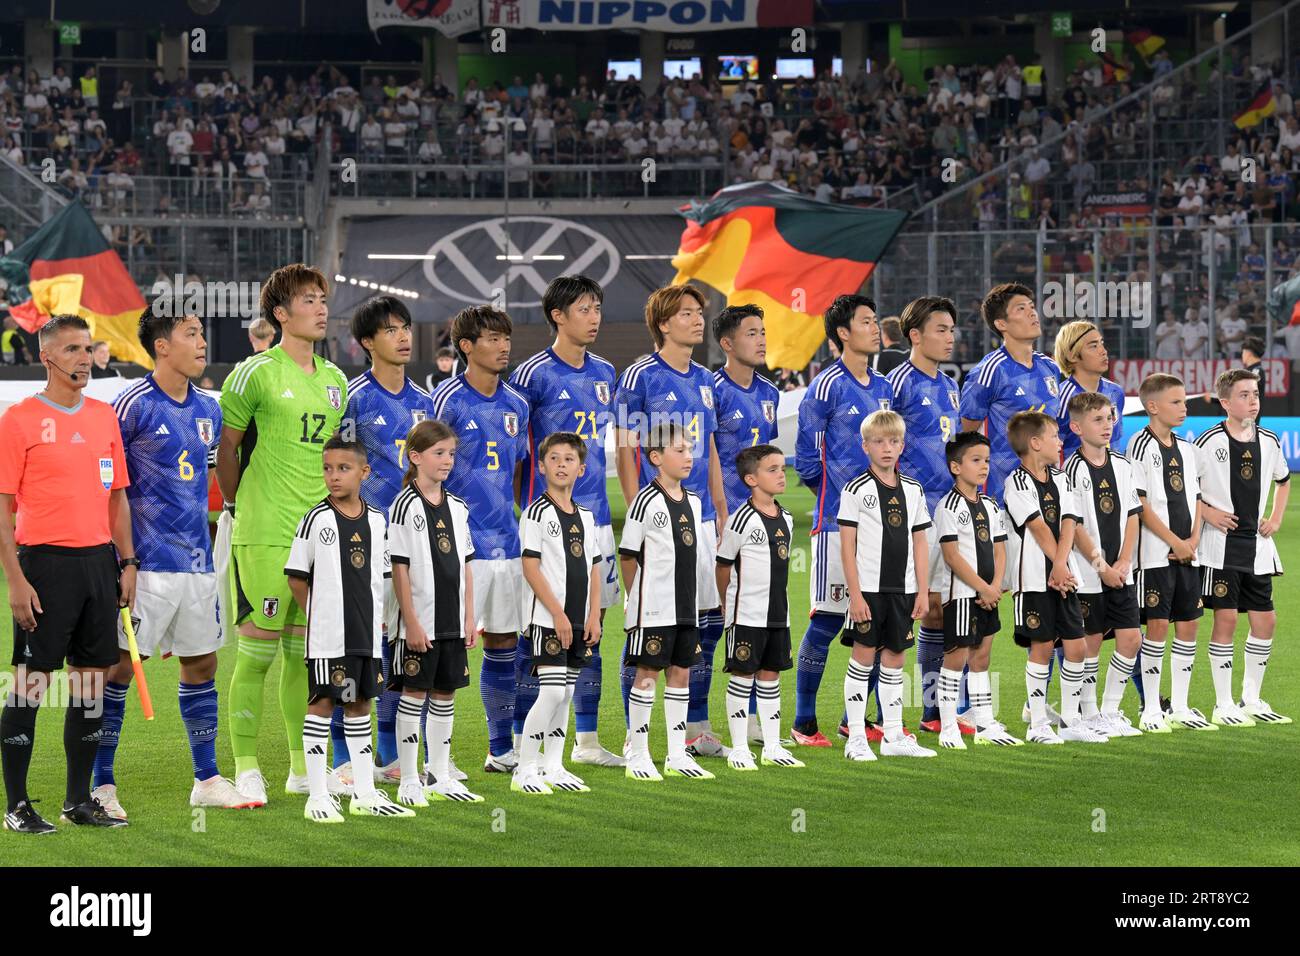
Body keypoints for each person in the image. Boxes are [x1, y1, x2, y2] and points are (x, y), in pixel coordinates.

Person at [91, 310, 254, 820]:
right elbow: (108, 488)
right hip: (144, 564)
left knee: (202, 663)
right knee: (116, 670)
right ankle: (101, 785)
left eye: (202, 333)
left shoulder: (209, 407)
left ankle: (206, 778)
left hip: (197, 563)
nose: (202, 342)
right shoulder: (131, 406)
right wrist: (121, 559)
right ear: (162, 346)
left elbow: (211, 475)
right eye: (191, 334)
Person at [216, 264, 350, 805]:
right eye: (309, 300)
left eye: (323, 299)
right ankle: (247, 768)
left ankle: (301, 768)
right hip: (266, 532)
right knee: (257, 654)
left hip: (319, 536)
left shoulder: (337, 380)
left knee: (305, 655)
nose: (320, 308)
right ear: (281, 313)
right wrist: (234, 506)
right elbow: (227, 450)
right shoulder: (254, 373)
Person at [0, 315, 134, 833]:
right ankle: (17, 806)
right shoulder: (19, 420)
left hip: (99, 566)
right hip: (44, 567)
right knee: (30, 686)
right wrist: (15, 580)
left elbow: (117, 497)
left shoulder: (104, 417)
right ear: (47, 358)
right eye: (73, 349)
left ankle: (78, 800)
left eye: (88, 348)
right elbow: (4, 511)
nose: (84, 358)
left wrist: (127, 562)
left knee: (89, 687)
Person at [509, 275, 622, 767]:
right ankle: (519, 742)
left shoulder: (606, 371)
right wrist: (534, 509)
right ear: (558, 315)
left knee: (591, 630)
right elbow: (517, 453)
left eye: (597, 307)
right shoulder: (533, 374)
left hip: (594, 521)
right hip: (549, 523)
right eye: (583, 308)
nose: (594, 316)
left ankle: (588, 741)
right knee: (536, 632)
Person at [613, 284, 728, 759]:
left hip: (699, 517)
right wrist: (640, 508)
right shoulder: (640, 376)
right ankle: (632, 732)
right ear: (663, 324)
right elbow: (624, 447)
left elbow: (712, 450)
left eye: (699, 313)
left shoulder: (705, 378)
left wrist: (721, 512)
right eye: (686, 314)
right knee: (646, 621)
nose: (698, 320)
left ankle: (692, 727)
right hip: (658, 518)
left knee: (701, 622)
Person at [332, 296, 436, 787]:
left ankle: (392, 753)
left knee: (401, 648)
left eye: (406, 327)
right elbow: (339, 469)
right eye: (391, 329)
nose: (403, 336)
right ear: (367, 342)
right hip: (365, 541)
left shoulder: (424, 400)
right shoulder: (355, 398)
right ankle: (346, 756)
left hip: (411, 541)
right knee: (358, 648)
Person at [286, 434, 414, 822]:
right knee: (322, 704)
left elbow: (384, 575)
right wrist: (318, 616)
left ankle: (364, 792)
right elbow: (296, 576)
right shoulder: (316, 519)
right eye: (327, 469)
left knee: (360, 706)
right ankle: (318, 796)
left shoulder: (377, 521)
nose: (334, 476)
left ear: (364, 472)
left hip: (366, 636)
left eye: (343, 468)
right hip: (328, 636)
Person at [791, 294, 894, 747]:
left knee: (872, 622)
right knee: (829, 620)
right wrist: (842, 501)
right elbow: (806, 459)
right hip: (835, 526)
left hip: (882, 528)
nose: (875, 328)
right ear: (843, 334)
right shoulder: (825, 386)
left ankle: (859, 718)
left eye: (875, 321)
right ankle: (804, 721)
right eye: (866, 322)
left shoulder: (883, 386)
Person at [431, 305, 531, 772]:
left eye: (505, 338)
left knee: (504, 643)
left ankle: (501, 748)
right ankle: (433, 757)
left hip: (506, 545)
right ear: (466, 346)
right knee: (443, 647)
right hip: (457, 548)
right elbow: (429, 471)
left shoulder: (517, 404)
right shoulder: (447, 400)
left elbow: (516, 472)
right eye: (492, 338)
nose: (503, 346)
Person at [885, 295, 970, 737]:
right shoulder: (895, 384)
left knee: (939, 609)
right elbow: (883, 446)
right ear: (915, 335)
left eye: (952, 330)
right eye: (941, 329)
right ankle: (868, 717)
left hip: (945, 509)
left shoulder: (950, 386)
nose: (950, 337)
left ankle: (935, 711)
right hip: (910, 509)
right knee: (899, 609)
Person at [386, 420, 483, 804]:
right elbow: (399, 567)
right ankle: (410, 778)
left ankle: (440, 775)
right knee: (414, 694)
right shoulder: (404, 505)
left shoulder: (458, 508)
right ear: (415, 457)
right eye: (438, 453)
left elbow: (467, 565)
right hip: (419, 623)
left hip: (452, 622)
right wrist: (410, 621)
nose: (447, 461)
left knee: (445, 696)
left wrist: (470, 616)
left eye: (451, 454)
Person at [837, 409, 936, 760]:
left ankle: (893, 736)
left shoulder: (913, 490)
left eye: (893, 441)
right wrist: (855, 594)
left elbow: (921, 543)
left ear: (902, 445)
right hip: (869, 592)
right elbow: (846, 546)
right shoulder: (855, 490)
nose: (887, 448)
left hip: (903, 591)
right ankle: (857, 738)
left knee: (895, 659)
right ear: (865, 446)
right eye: (879, 442)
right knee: (863, 659)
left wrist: (923, 590)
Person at [1193, 369, 1290, 726]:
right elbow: (1188, 493)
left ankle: (1252, 698)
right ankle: (1223, 703)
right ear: (1225, 402)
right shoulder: (1207, 443)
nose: (1253, 400)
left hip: (1258, 547)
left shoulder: (1269, 440)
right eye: (1244, 395)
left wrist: (1275, 519)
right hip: (1220, 547)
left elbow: (1283, 480)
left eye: (1256, 393)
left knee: (1266, 621)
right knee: (1227, 619)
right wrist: (1209, 513)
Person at [619, 423, 713, 781]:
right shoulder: (645, 501)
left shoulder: (693, 500)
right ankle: (639, 755)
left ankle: (677, 755)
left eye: (689, 449)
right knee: (646, 676)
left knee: (681, 675)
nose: (688, 456)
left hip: (685, 608)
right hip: (654, 608)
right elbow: (628, 555)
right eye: (679, 450)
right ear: (656, 458)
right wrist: (638, 600)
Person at [514, 432, 603, 795]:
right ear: (541, 466)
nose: (561, 464)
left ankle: (553, 765)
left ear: (581, 469)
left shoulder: (585, 515)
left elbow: (595, 567)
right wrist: (559, 615)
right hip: (548, 620)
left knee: (565, 694)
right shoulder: (537, 512)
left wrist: (593, 615)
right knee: (550, 693)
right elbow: (531, 568)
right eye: (554, 458)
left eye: (569, 459)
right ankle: (525, 769)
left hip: (579, 620)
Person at [710, 303, 781, 745]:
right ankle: (698, 721)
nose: (761, 339)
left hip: (763, 528)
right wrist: (721, 509)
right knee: (713, 620)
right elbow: (711, 453)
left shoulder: (770, 392)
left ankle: (754, 716)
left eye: (762, 331)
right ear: (727, 343)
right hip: (724, 523)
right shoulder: (712, 390)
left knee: (761, 618)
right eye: (751, 332)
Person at [1002, 410, 1096, 744]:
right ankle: (1038, 723)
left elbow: (1069, 520)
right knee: (1041, 646)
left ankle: (1071, 722)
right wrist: (1058, 564)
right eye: (1055, 436)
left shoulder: (1061, 478)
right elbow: (1037, 527)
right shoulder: (1016, 482)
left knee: (1076, 646)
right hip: (1032, 579)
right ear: (1035, 442)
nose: (1060, 442)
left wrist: (1061, 565)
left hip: (1063, 575)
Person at [1126, 374, 1208, 732]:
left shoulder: (1188, 449)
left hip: (1189, 552)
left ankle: (1181, 705)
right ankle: (1151, 709)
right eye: (1176, 402)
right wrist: (1175, 542)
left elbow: (1199, 499)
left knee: (1188, 623)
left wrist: (1192, 541)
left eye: (1184, 402)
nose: (1184, 408)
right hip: (1156, 555)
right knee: (1157, 626)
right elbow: (1140, 504)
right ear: (1153, 406)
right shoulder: (1140, 446)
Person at [714, 444, 804, 770]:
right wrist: (726, 604)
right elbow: (723, 566)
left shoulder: (787, 518)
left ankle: (771, 746)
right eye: (773, 470)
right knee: (742, 676)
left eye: (782, 468)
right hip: (746, 615)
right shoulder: (740, 520)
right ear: (751, 478)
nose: (781, 474)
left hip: (779, 614)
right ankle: (739, 748)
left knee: (771, 678)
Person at [1063, 392, 1145, 739]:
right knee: (1090, 641)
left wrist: (1125, 559)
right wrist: (1100, 565)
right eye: (1098, 420)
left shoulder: (1123, 465)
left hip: (1120, 570)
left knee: (1131, 638)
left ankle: (1110, 710)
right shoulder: (1072, 469)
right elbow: (1074, 525)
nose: (1107, 425)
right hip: (1088, 573)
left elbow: (1132, 516)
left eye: (1109, 417)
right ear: (1077, 427)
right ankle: (1088, 711)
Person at [932, 432, 1021, 747]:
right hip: (962, 597)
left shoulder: (990, 505)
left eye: (986, 460)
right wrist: (983, 587)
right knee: (956, 660)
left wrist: (995, 585)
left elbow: (1000, 548)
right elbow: (952, 556)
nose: (984, 467)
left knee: (982, 658)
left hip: (988, 595)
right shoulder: (948, 506)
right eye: (975, 460)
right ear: (956, 467)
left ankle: (984, 723)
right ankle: (948, 728)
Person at [960, 283, 1062, 502]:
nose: (1032, 312)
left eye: (1032, 306)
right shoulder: (990, 371)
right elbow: (965, 435)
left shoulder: (1050, 368)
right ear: (1001, 323)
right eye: (1021, 309)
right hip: (1003, 494)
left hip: (1049, 491)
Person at [1054, 320, 1126, 462]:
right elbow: (1053, 450)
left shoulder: (1116, 392)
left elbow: (1116, 441)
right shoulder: (1061, 398)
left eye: (1102, 344)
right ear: (1072, 355)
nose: (1103, 351)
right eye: (1093, 346)